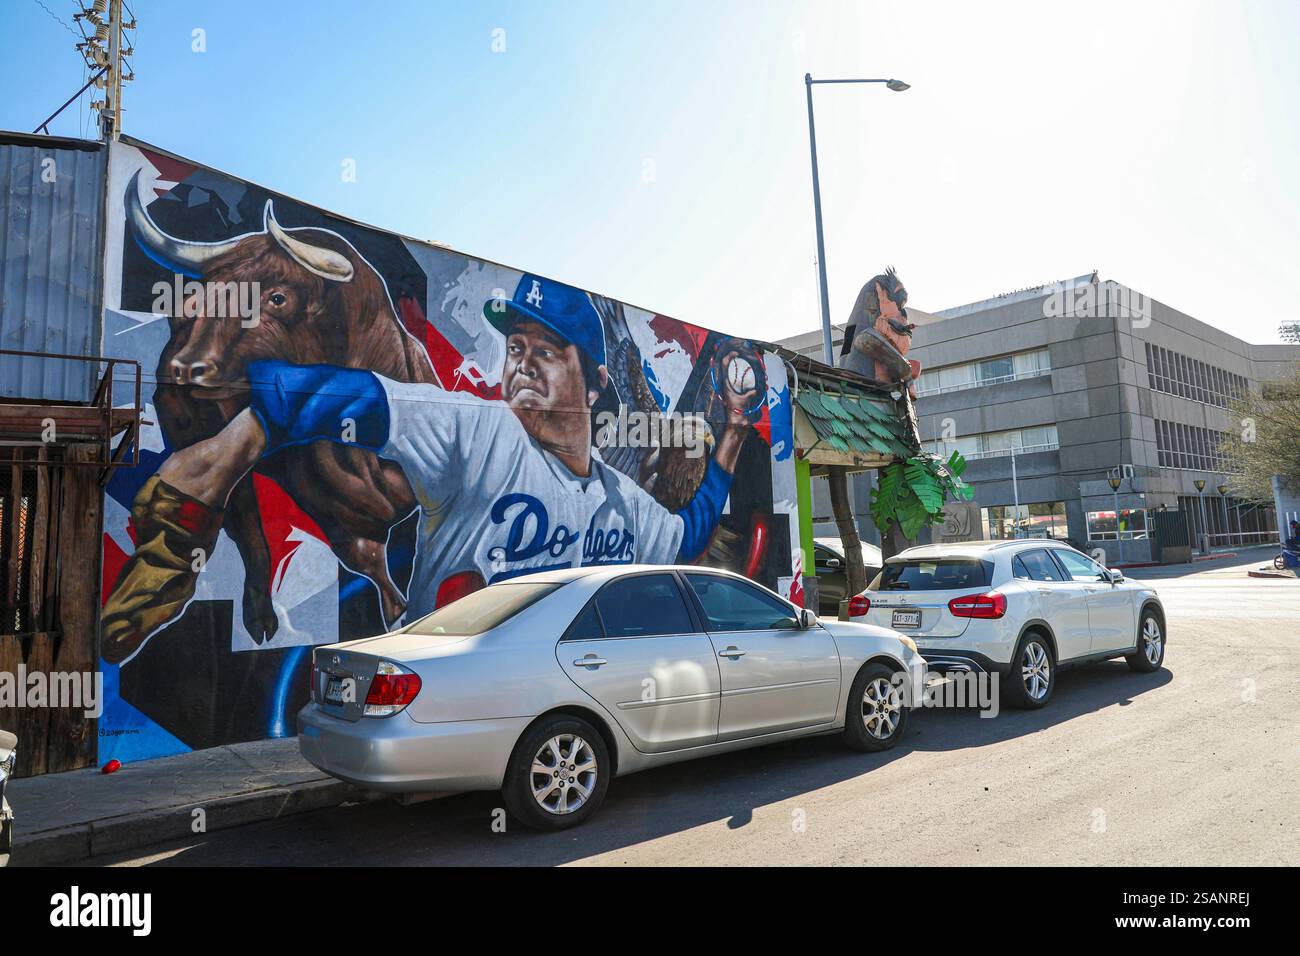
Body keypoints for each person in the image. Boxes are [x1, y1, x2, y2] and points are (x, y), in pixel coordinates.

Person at [102, 273, 759, 662]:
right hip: (440, 679)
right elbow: (359, 400)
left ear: (592, 385)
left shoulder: (624, 501)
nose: (522, 362)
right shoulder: (482, 432)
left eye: (547, 351)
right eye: (515, 347)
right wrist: (245, 435)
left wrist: (732, 430)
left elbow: (689, 530)